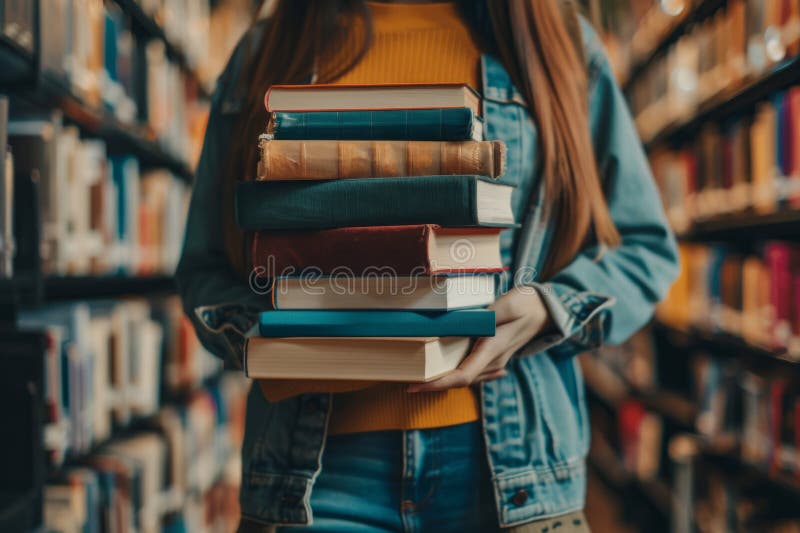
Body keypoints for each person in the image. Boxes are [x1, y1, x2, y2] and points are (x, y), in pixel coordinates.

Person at [176, 1, 680, 531]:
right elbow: (205, 267)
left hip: (511, 471)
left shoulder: (560, 43)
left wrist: (548, 308)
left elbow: (644, 248)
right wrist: (273, 337)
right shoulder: (267, 49)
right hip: (317, 479)